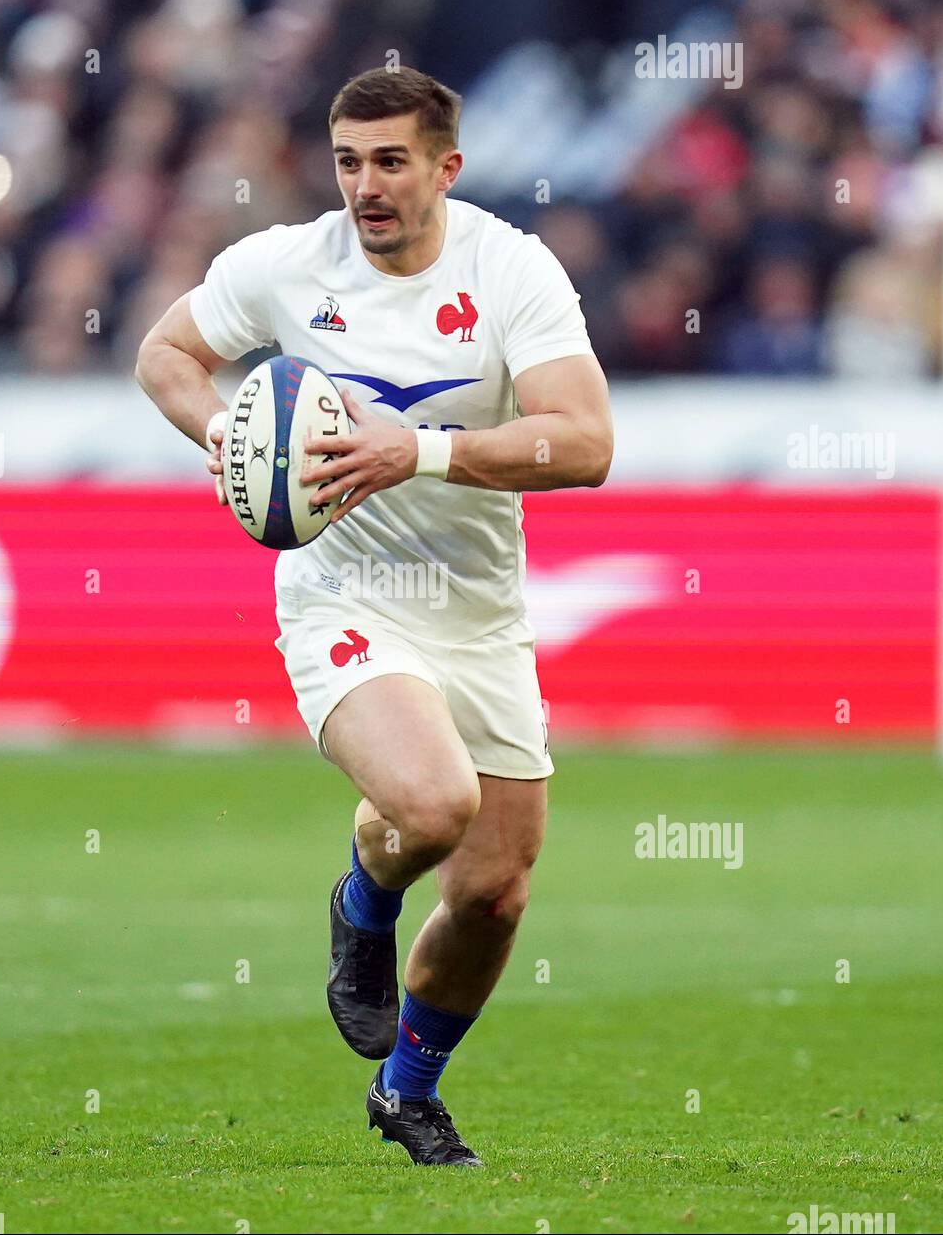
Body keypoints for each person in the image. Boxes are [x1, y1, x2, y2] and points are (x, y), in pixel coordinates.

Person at [136, 66, 612, 1167]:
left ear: (445, 166)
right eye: (348, 161)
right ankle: (362, 899)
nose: (365, 186)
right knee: (431, 805)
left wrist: (423, 451)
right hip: (342, 592)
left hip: (478, 606)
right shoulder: (285, 266)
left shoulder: (508, 270)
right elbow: (164, 354)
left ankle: (406, 1090)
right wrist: (228, 437)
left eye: (390, 161)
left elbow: (584, 442)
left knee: (493, 893)